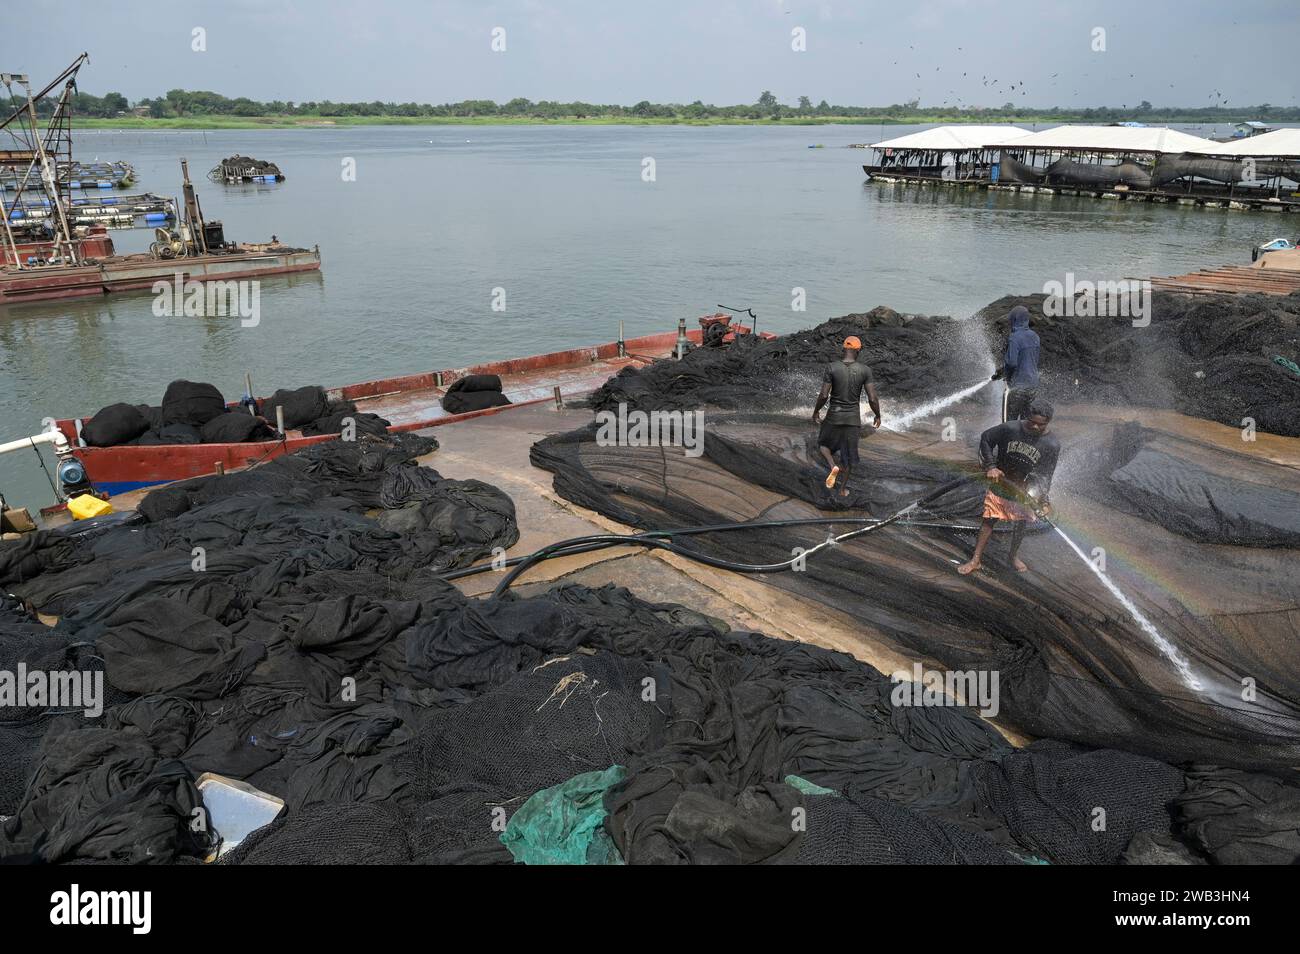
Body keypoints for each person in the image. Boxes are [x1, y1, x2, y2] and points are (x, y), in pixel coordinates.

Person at [958, 398, 1060, 575]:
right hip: (1001, 482)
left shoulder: (1052, 444)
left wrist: (1043, 500)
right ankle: (975, 559)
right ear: (1027, 416)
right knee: (989, 520)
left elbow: (1046, 475)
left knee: (1020, 524)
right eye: (1032, 422)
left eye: (1040, 425)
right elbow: (986, 438)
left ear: (1048, 422)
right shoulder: (1010, 428)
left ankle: (1012, 556)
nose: (1035, 427)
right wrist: (991, 466)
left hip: (1024, 489)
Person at [812, 335, 880, 497]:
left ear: (844, 349)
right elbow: (872, 398)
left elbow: (823, 395)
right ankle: (842, 490)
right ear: (858, 350)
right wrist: (878, 415)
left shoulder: (832, 367)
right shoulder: (865, 370)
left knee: (823, 444)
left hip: (833, 416)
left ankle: (831, 465)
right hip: (852, 420)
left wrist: (816, 411)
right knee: (848, 457)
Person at [1001, 305, 1041, 422]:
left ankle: (1008, 440)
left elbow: (1012, 363)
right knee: (1026, 422)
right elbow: (1033, 360)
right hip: (1033, 386)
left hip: (1017, 388)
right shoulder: (1035, 336)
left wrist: (1007, 377)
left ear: (1014, 320)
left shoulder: (1014, 338)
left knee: (1009, 422)